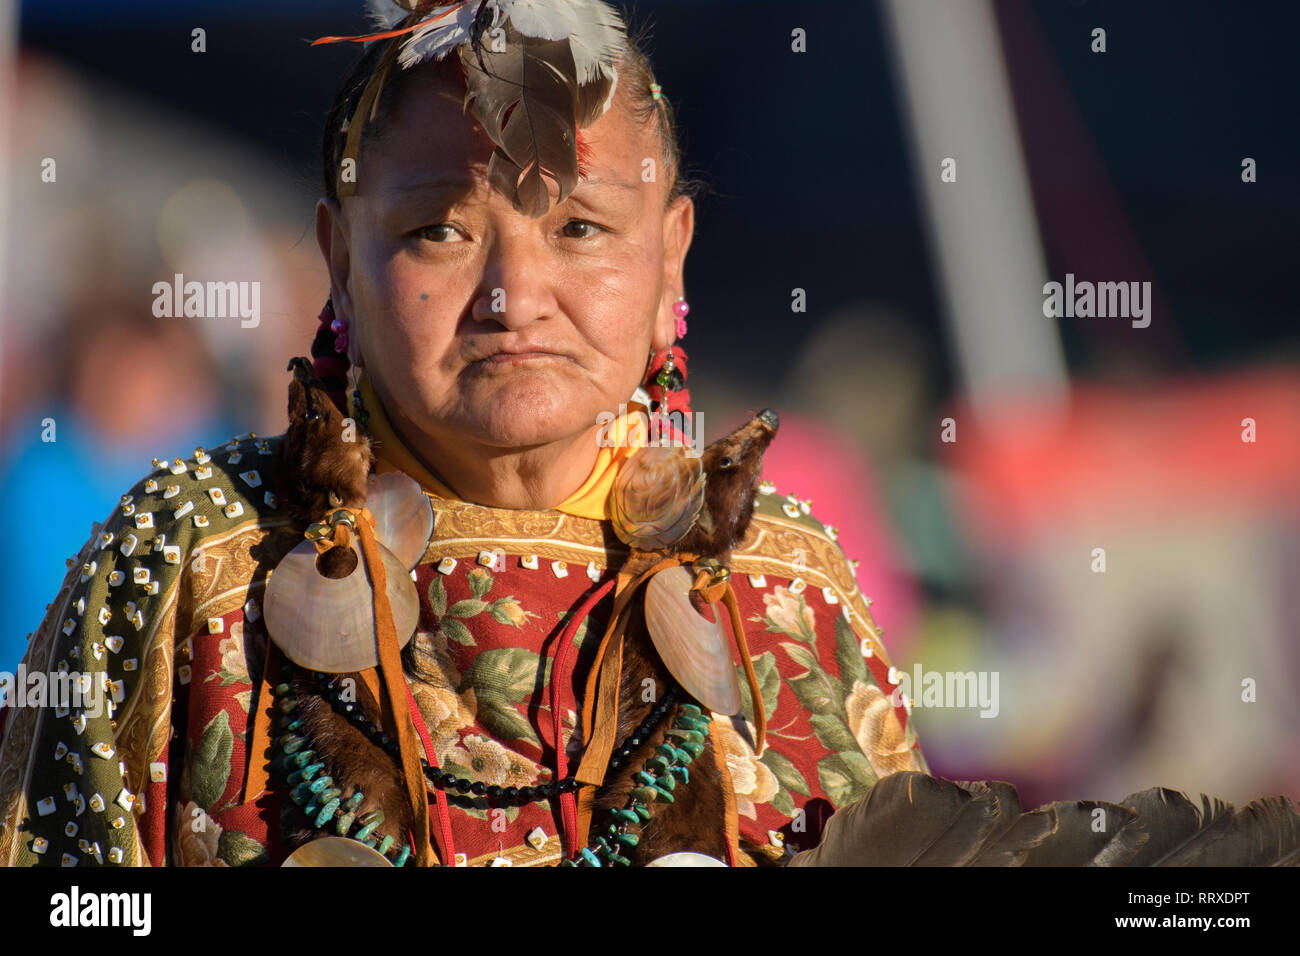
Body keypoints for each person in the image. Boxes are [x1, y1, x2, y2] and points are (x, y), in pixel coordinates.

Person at [0, 0, 927, 867]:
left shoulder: (785, 589)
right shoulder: (193, 562)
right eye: (439, 230)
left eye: (580, 226)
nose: (514, 299)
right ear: (341, 261)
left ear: (671, 256)